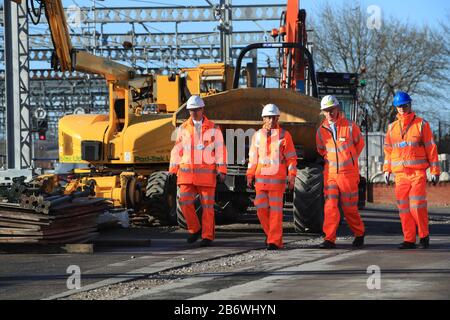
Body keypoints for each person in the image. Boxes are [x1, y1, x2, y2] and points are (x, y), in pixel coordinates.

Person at [383, 91, 440, 249]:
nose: (401, 109)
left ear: (410, 105)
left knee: (416, 205)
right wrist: (387, 170)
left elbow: (431, 148)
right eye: (398, 106)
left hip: (417, 174)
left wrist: (435, 171)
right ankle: (409, 239)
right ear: (395, 108)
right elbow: (388, 151)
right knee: (403, 208)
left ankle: (423, 236)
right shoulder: (392, 128)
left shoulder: (421, 124)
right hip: (400, 175)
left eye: (404, 105)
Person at [169, 95, 227, 247]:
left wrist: (222, 169)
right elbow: (177, 150)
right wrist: (172, 169)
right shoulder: (182, 129)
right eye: (191, 110)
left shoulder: (214, 129)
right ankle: (194, 229)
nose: (193, 113)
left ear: (202, 109)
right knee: (184, 202)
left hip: (206, 176)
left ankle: (207, 236)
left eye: (196, 110)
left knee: (208, 207)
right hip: (186, 174)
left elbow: (221, 150)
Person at [316, 95, 366, 249]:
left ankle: (359, 233)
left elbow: (360, 144)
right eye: (326, 110)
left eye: (332, 109)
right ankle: (329, 239)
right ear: (323, 112)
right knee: (330, 207)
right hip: (330, 174)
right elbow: (321, 150)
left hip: (348, 175)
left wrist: (350, 161)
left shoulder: (351, 126)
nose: (330, 113)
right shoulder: (321, 131)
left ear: (337, 108)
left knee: (349, 208)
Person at [246, 103, 297, 250]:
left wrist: (292, 176)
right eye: (268, 117)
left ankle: (274, 241)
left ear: (277, 118)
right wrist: (249, 175)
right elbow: (253, 159)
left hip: (277, 182)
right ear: (263, 118)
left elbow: (291, 159)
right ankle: (272, 237)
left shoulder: (284, 135)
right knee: (261, 210)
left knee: (275, 213)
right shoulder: (257, 136)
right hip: (261, 182)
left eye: (273, 117)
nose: (271, 120)